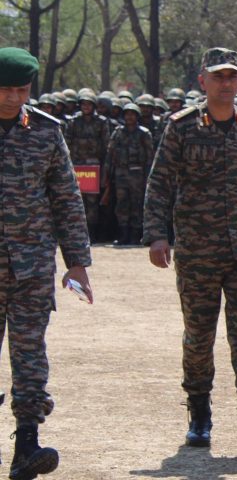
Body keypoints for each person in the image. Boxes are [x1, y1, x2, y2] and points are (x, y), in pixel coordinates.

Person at [142, 47, 237, 451]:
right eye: (218, 76)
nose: (225, 83)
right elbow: (160, 183)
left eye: (232, 76)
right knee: (199, 336)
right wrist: (156, 234)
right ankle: (199, 415)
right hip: (198, 251)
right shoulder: (182, 127)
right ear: (202, 81)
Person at [0, 47, 94, 480]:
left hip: (31, 265)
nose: (14, 98)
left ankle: (27, 445)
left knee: (30, 355)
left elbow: (66, 199)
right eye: (6, 90)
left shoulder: (45, 131)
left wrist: (76, 262)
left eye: (22, 90)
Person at [103, 103, 153, 245]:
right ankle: (123, 234)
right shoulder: (117, 132)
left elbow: (150, 158)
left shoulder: (144, 133)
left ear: (137, 116)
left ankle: (135, 235)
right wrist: (106, 175)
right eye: (127, 114)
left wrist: (149, 178)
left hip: (138, 174)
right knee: (122, 204)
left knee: (137, 204)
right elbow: (110, 155)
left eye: (132, 114)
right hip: (120, 173)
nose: (129, 117)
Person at [64, 90, 111, 241]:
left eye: (88, 104)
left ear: (93, 106)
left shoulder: (102, 122)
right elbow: (66, 144)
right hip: (76, 167)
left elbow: (106, 147)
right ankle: (76, 234)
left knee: (92, 203)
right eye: (83, 104)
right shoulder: (73, 121)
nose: (85, 107)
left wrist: (105, 171)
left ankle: (92, 234)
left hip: (94, 168)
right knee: (76, 201)